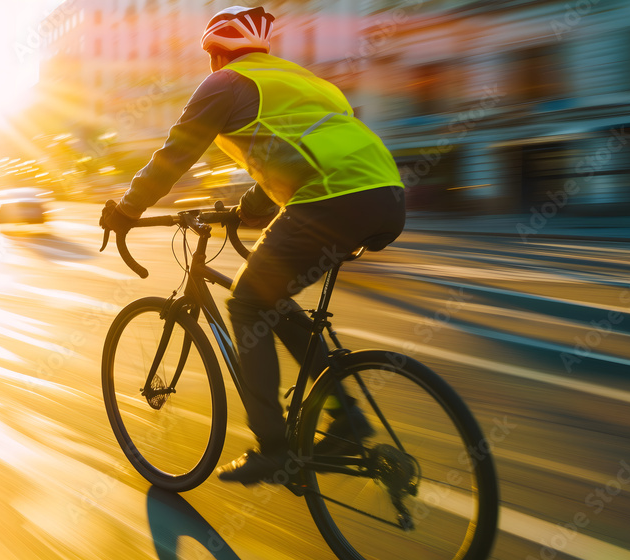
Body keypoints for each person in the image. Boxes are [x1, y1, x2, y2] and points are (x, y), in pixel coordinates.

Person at [99, 6, 406, 485]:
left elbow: (173, 156)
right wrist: (246, 210)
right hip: (386, 196)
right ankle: (345, 415)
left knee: (246, 304)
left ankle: (274, 448)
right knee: (273, 298)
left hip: (330, 198)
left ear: (216, 54)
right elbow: (298, 152)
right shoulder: (302, 83)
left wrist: (127, 210)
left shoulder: (224, 84)